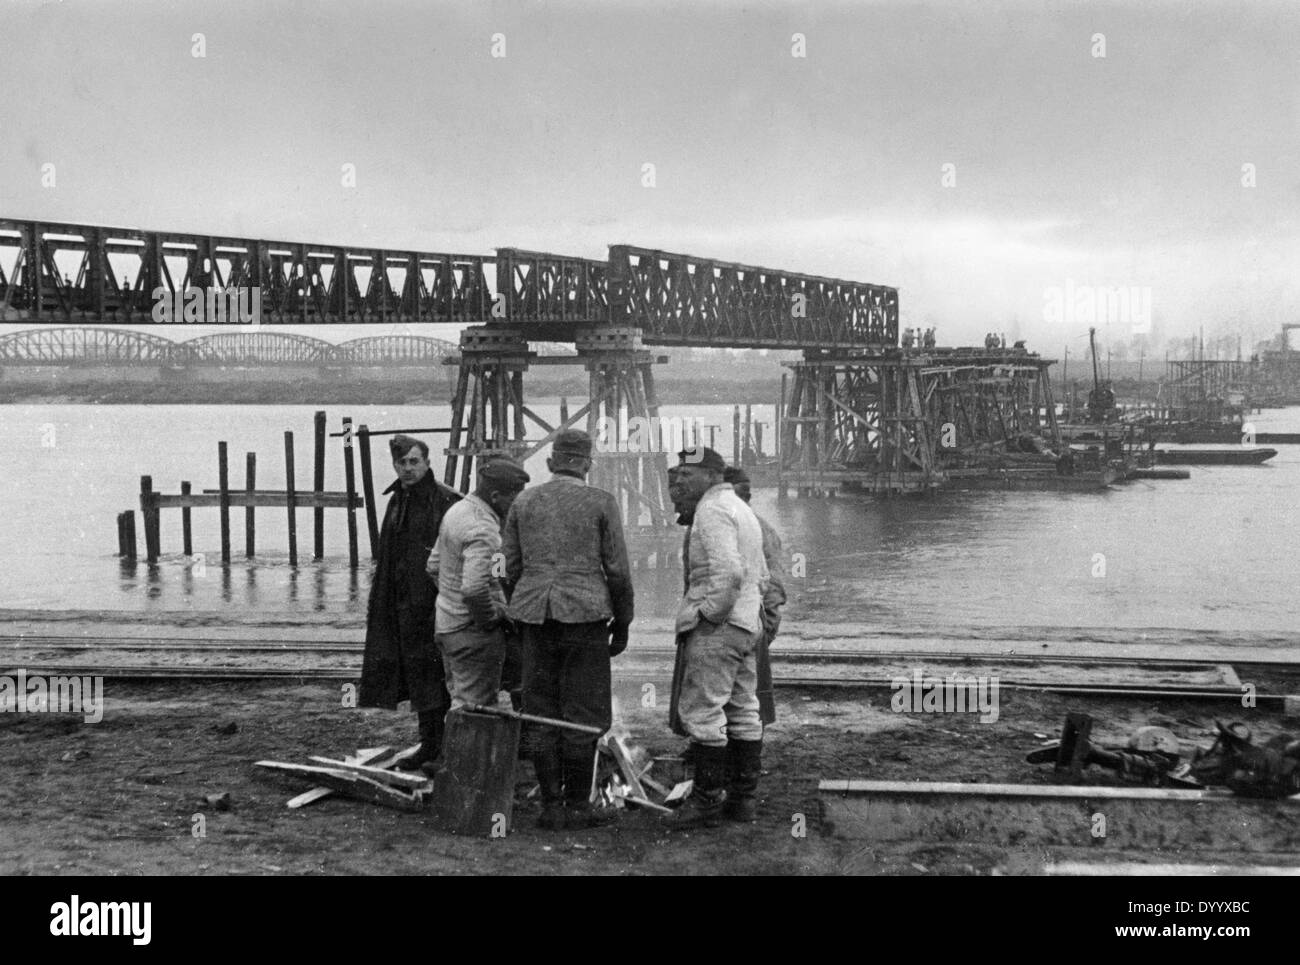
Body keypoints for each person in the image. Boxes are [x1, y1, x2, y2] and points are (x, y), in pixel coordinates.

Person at [502, 429, 634, 830]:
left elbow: (509, 564)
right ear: (587, 464)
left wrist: (525, 600)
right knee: (583, 710)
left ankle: (551, 805)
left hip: (535, 618)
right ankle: (578, 806)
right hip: (585, 616)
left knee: (541, 710)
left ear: (549, 462)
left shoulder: (523, 500)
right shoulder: (601, 502)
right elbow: (617, 571)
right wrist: (623, 621)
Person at [664, 447, 768, 829]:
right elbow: (761, 575)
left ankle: (705, 804)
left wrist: (708, 616)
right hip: (745, 624)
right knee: (742, 709)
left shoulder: (710, 510)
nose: (678, 481)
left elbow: (730, 572)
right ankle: (743, 801)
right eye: (676, 475)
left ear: (711, 475)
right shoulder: (742, 509)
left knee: (703, 711)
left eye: (687, 475)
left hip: (720, 626)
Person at [358, 435, 462, 774]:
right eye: (401, 463)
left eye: (414, 462)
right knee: (417, 676)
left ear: (428, 462)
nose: (407, 469)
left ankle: (444, 745)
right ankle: (429, 742)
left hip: (433, 606)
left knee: (438, 676)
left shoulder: (444, 500)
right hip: (402, 605)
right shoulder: (398, 499)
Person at [426, 458, 530, 713]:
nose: (517, 506)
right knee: (476, 711)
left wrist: (453, 601)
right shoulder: (484, 529)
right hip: (473, 634)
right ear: (496, 496)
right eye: (514, 498)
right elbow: (473, 589)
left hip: (448, 625)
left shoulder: (457, 511)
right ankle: (465, 754)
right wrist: (490, 619)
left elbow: (433, 566)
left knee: (462, 703)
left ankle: (453, 752)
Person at [723, 465, 787, 788]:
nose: (742, 501)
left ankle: (741, 772)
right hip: (722, 631)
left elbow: (774, 593)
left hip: (747, 630)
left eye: (745, 495)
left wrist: (764, 635)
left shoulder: (762, 531)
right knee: (724, 704)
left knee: (745, 704)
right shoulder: (715, 527)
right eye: (737, 494)